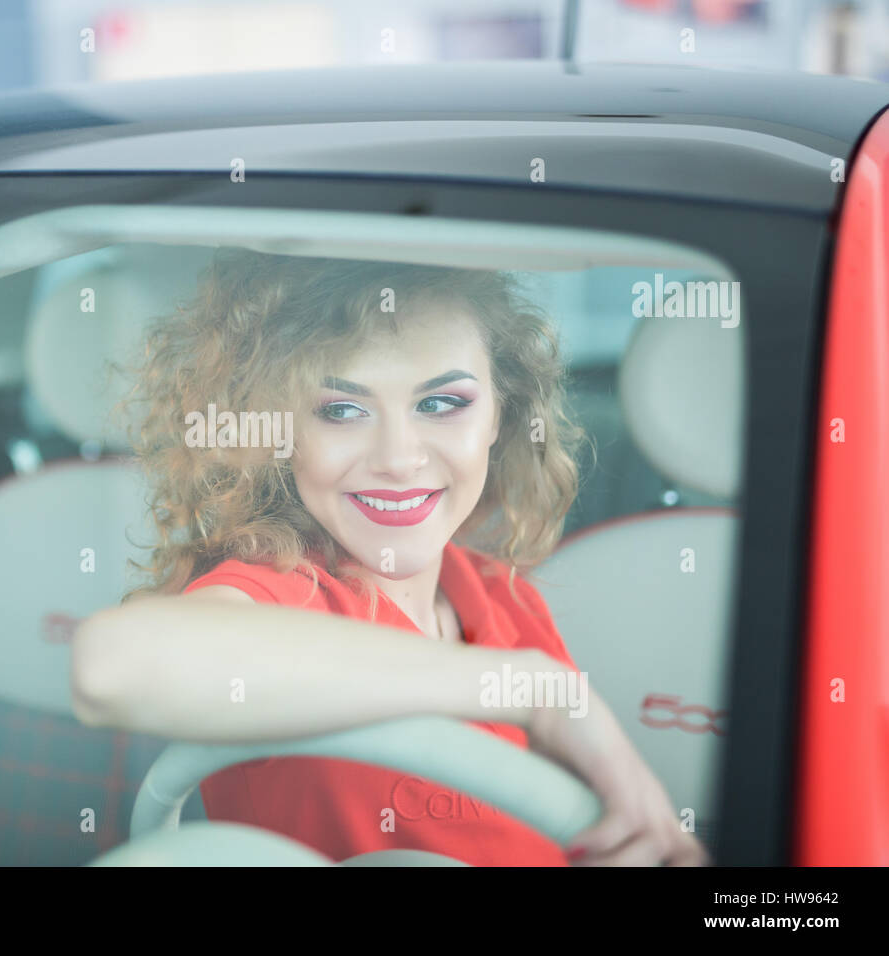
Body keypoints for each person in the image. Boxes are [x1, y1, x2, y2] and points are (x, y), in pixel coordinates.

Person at [72, 250, 709, 866]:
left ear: (499, 415)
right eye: (341, 410)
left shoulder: (505, 597)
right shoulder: (282, 594)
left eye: (441, 403)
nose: (399, 458)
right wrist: (530, 691)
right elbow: (111, 667)